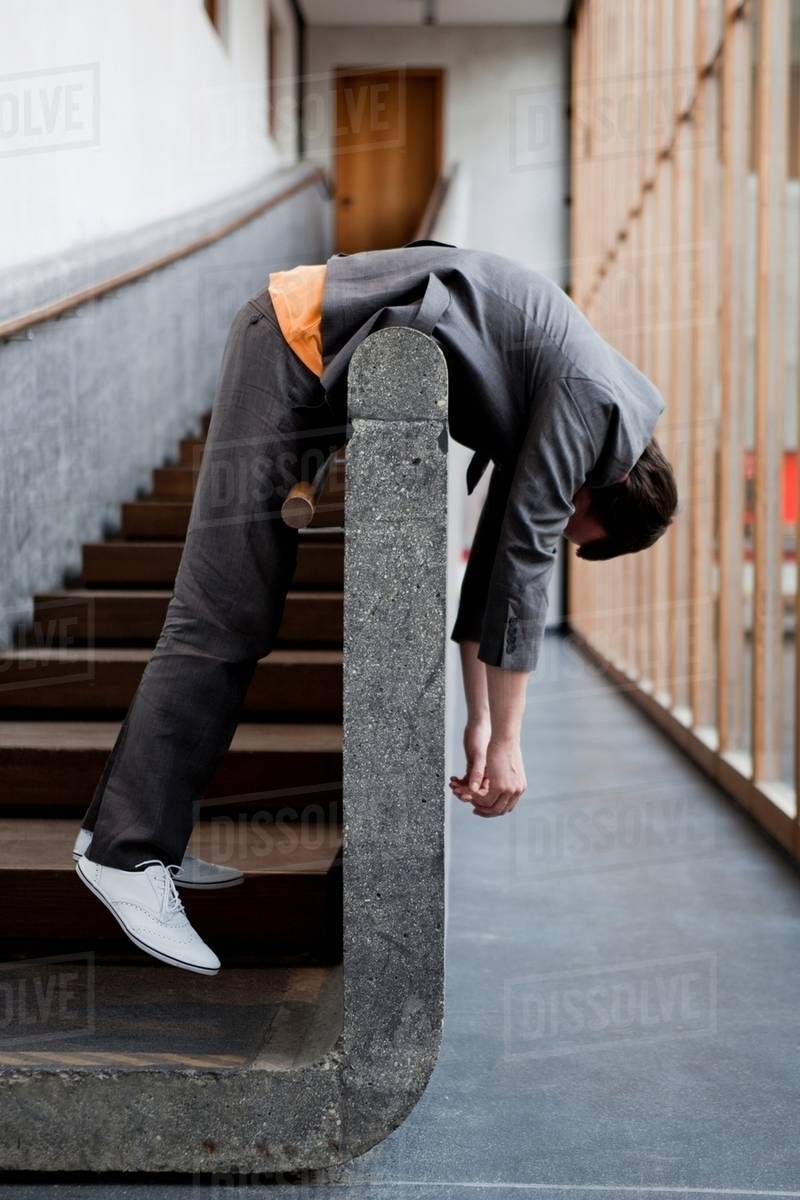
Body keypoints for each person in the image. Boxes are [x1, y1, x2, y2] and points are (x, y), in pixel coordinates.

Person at [74, 239, 678, 974]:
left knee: (237, 617)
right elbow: (524, 564)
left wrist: (483, 725)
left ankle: (126, 835)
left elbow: (491, 571)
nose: (561, 537)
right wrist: (512, 748)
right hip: (291, 342)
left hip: (302, 355)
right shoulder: (593, 406)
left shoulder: (593, 398)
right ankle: (127, 854)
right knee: (221, 617)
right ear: (603, 498)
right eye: (578, 535)